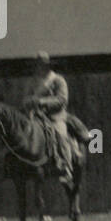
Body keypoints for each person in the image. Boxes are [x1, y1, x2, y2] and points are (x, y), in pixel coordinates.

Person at [24, 51, 74, 187]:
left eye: (42, 64)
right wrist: (29, 102)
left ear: (47, 65)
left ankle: (66, 167)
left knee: (61, 134)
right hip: (35, 117)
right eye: (37, 64)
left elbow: (62, 100)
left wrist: (41, 101)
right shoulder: (32, 81)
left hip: (55, 117)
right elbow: (26, 98)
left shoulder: (58, 80)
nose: (39, 67)